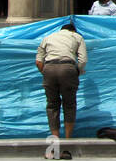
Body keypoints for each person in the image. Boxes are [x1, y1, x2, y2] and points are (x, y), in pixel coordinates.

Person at [36, 21, 87, 149]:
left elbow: (38, 62)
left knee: (52, 105)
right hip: (68, 68)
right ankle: (68, 140)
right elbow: (82, 60)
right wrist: (77, 72)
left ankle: (55, 141)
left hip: (49, 68)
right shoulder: (77, 37)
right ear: (73, 31)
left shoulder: (48, 38)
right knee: (69, 104)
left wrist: (47, 73)